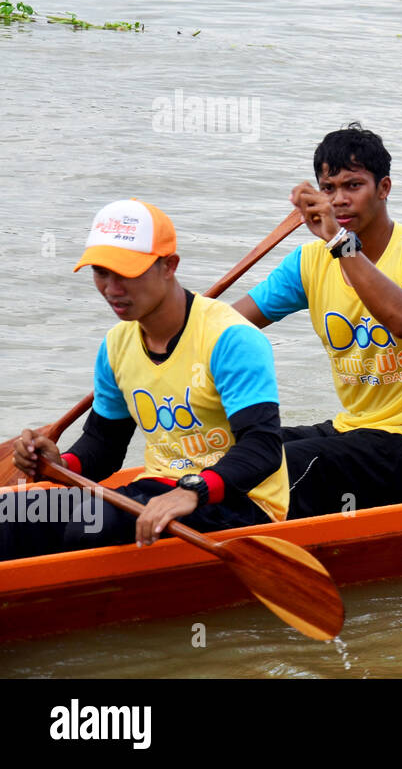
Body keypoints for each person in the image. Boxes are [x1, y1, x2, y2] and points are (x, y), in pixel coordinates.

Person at [3, 200, 287, 560]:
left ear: (170, 266)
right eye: (101, 272)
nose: (111, 288)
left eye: (127, 273)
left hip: (239, 499)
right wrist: (60, 464)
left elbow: (263, 448)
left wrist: (192, 490)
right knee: (11, 515)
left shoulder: (231, 338)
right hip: (158, 490)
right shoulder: (116, 346)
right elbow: (104, 446)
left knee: (88, 526)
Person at [234, 124, 402, 517]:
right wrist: (170, 315)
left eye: (353, 186)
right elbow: (227, 326)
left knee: (280, 467)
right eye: (328, 188)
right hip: (351, 430)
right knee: (229, 450)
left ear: (384, 188)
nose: (338, 200)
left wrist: (340, 243)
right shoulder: (308, 263)